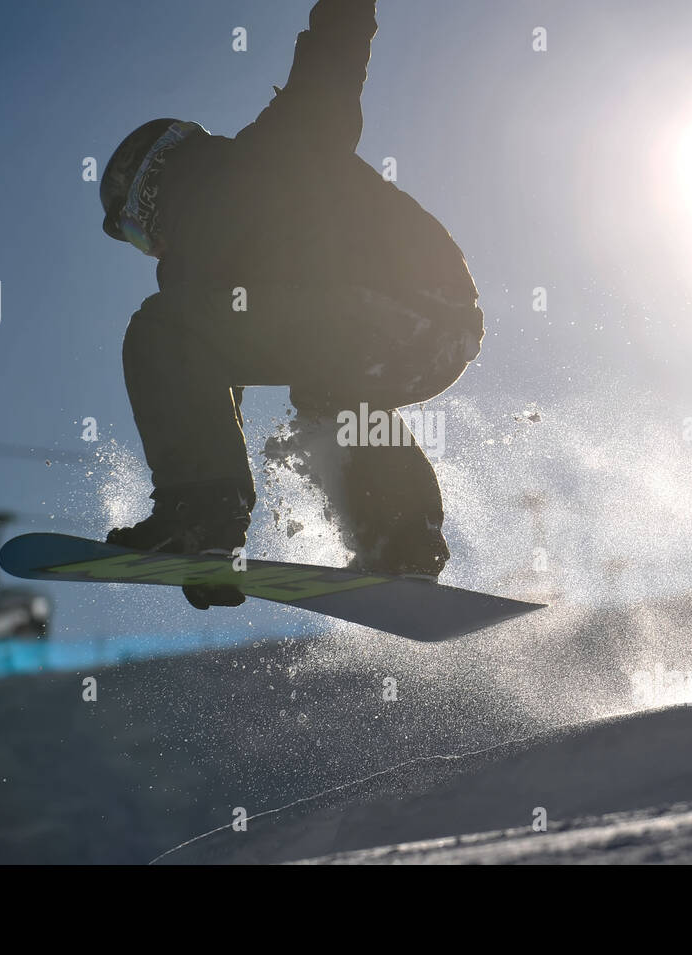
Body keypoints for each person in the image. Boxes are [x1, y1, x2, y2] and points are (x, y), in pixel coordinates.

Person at [99, 0, 483, 608]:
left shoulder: (263, 157)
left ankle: (201, 514)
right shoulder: (246, 194)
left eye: (140, 232)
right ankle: (401, 544)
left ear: (150, 190)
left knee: (158, 332)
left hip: (388, 303)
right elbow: (215, 384)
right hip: (438, 327)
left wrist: (208, 527)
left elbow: (331, 63)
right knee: (328, 406)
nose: (154, 249)